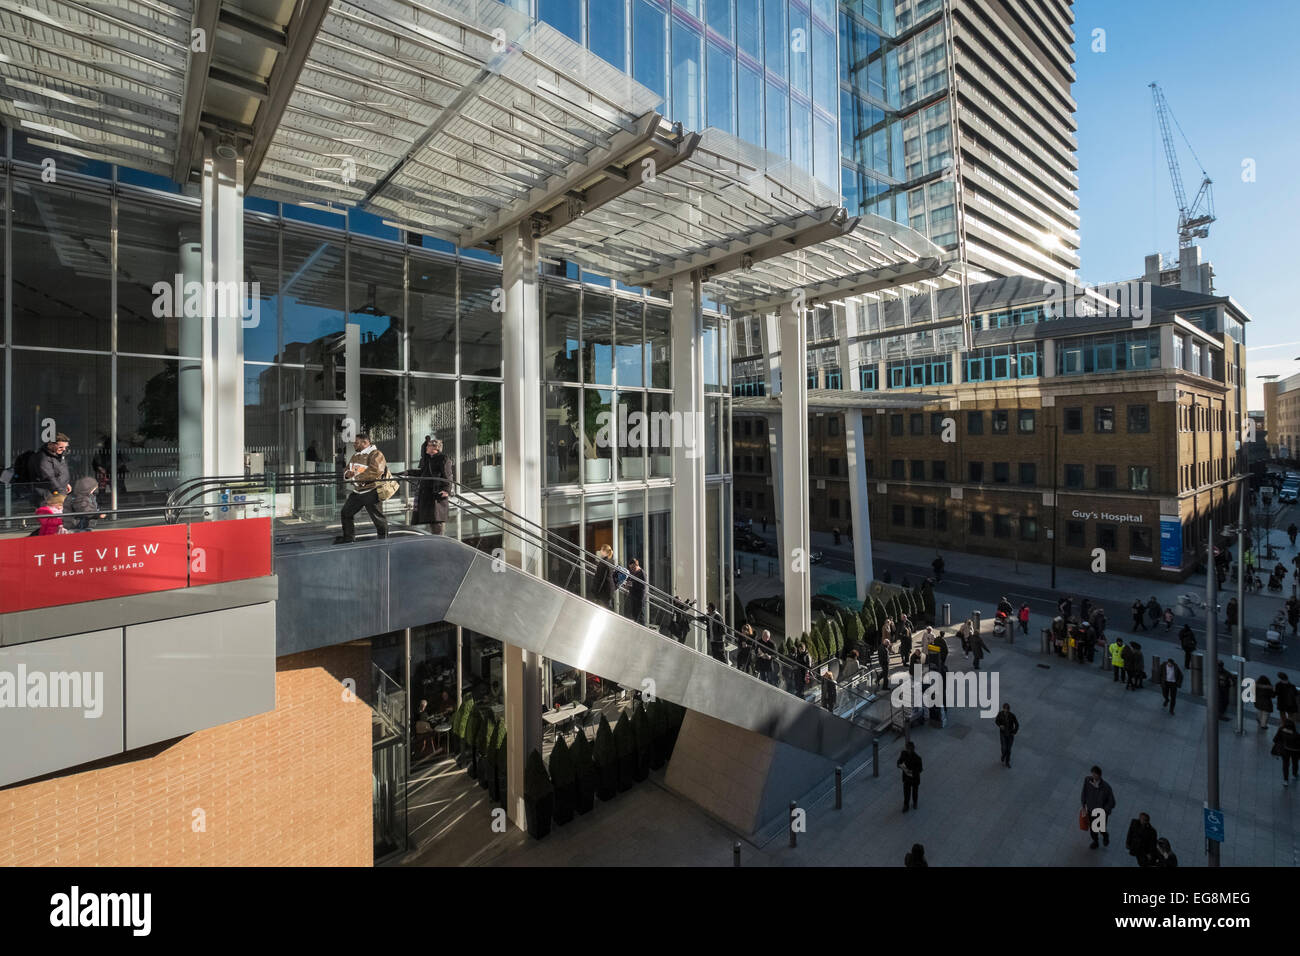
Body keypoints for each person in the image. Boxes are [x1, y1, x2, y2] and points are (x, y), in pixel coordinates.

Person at [334, 431, 390, 543]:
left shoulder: (376, 454)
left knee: (378, 519)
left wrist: (355, 477)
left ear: (365, 442)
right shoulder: (356, 456)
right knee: (346, 512)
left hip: (371, 491)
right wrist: (347, 474)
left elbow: (375, 471)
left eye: (356, 442)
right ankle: (349, 538)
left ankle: (384, 540)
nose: (354, 444)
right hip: (358, 492)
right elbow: (347, 469)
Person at [409, 437, 453, 534]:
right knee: (432, 521)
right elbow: (423, 473)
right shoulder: (429, 459)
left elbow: (448, 475)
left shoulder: (443, 458)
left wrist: (446, 490)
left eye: (428, 446)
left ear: (435, 448)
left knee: (437, 522)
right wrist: (407, 472)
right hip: (428, 495)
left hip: (436, 495)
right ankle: (436, 542)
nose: (426, 448)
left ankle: (439, 543)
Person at [31, 432, 72, 507]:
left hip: (59, 492)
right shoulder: (43, 457)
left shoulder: (58, 455)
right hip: (50, 495)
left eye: (66, 447)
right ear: (50, 445)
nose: (64, 449)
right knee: (51, 516)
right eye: (60, 447)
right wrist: (61, 492)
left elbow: (60, 471)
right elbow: (49, 477)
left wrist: (66, 483)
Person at [1081, 765, 1116, 848]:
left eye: (1095, 774)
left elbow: (1112, 802)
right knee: (1093, 830)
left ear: (1100, 775)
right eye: (1092, 774)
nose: (1093, 776)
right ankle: (1095, 842)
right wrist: (1083, 805)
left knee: (1101, 829)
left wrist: (1104, 811)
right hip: (1090, 810)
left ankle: (1105, 836)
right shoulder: (1087, 780)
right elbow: (1084, 792)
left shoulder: (1106, 787)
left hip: (1101, 813)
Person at [1273, 718, 1300, 787]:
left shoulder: (1281, 730)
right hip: (1295, 751)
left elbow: (1275, 739)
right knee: (1295, 763)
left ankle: (1285, 780)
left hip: (1285, 750)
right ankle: (1294, 774)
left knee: (1285, 765)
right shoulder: (1297, 735)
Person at [897, 741, 922, 812]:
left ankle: (915, 802)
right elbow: (899, 761)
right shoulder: (903, 753)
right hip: (906, 778)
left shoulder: (917, 758)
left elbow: (920, 769)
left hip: (914, 778)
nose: (908, 750)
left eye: (909, 749)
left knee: (915, 791)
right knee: (906, 792)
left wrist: (912, 772)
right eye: (907, 748)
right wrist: (899, 765)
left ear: (913, 749)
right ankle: (906, 805)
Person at [591, 544, 618, 610]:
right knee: (608, 608)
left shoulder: (603, 563)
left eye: (601, 550)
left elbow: (601, 579)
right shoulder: (611, 561)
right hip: (610, 589)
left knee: (604, 610)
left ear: (604, 551)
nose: (600, 551)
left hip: (604, 591)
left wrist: (596, 592)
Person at [995, 702, 1019, 768]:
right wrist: (1000, 725)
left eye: (1007, 709)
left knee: (1009, 749)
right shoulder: (1000, 714)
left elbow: (1017, 724)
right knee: (1004, 747)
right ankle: (1003, 755)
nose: (1006, 711)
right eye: (1005, 709)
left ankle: (1007, 762)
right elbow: (996, 721)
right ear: (1003, 709)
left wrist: (1014, 731)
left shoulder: (1012, 715)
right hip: (1003, 733)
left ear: (1009, 710)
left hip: (1010, 734)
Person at [625, 558, 646, 624]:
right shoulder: (634, 573)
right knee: (635, 616)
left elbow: (642, 586)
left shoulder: (641, 573)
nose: (632, 569)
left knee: (640, 617)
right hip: (634, 597)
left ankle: (643, 631)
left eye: (633, 568)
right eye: (630, 568)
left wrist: (631, 584)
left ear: (637, 565)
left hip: (639, 599)